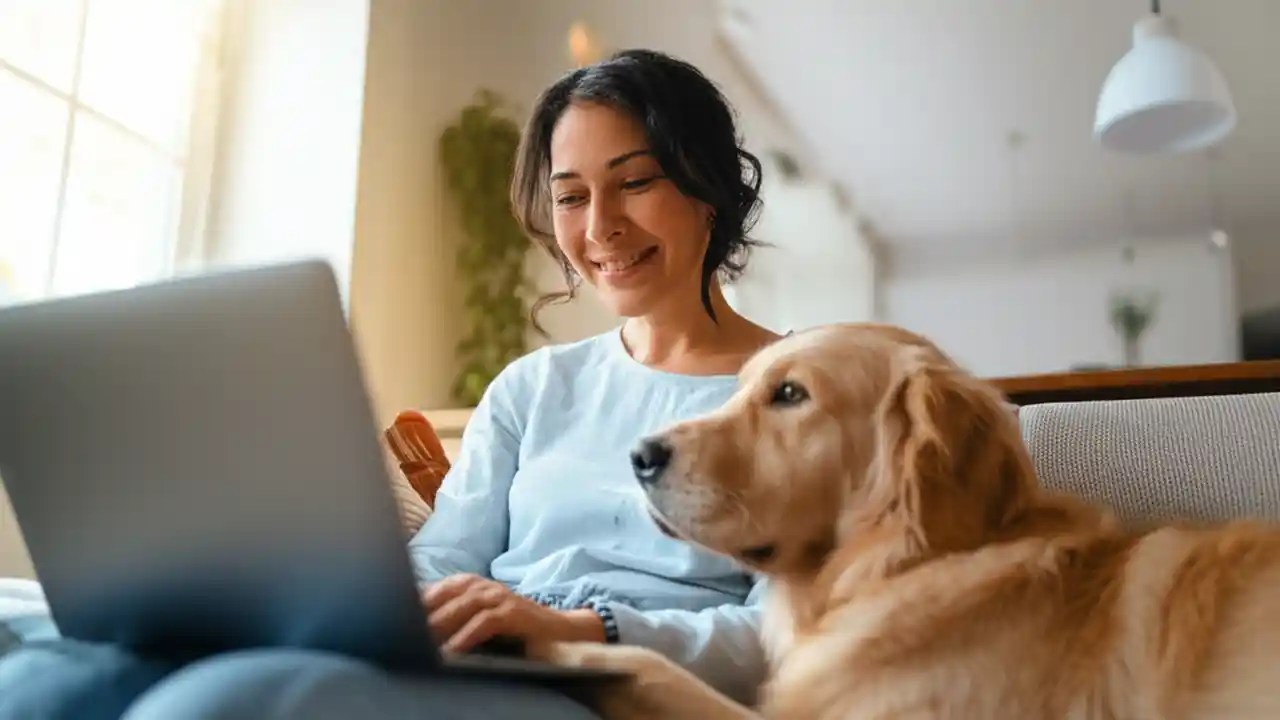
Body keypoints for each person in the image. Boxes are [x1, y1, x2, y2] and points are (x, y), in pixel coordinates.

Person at [0, 48, 779, 719]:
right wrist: (351, 600)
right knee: (55, 675)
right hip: (487, 657)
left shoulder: (805, 393)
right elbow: (447, 556)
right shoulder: (533, 387)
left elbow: (784, 633)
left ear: (706, 187)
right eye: (571, 196)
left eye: (634, 182)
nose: (599, 226)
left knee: (232, 701)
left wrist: (581, 627)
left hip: (608, 690)